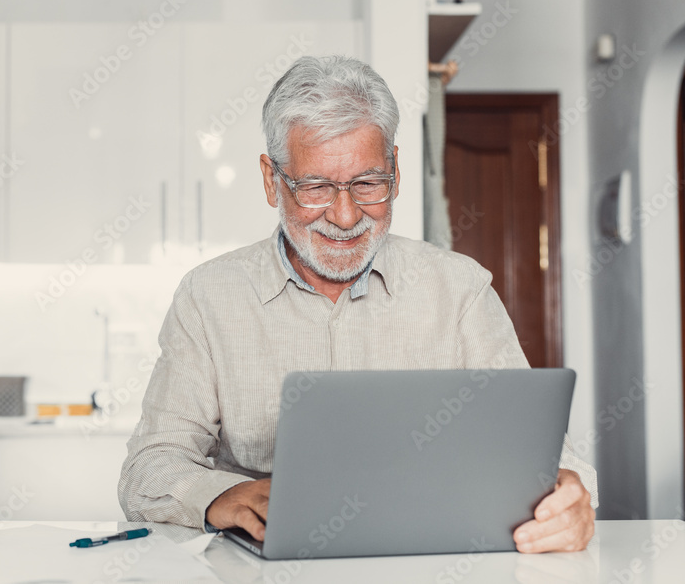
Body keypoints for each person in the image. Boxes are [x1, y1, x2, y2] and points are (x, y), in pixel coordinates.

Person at [117, 55, 597, 554]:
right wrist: (224, 496)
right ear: (271, 180)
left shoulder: (460, 290)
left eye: (368, 184)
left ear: (395, 169)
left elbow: (542, 451)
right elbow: (149, 466)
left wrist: (569, 497)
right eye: (317, 187)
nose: (345, 217)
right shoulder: (207, 297)